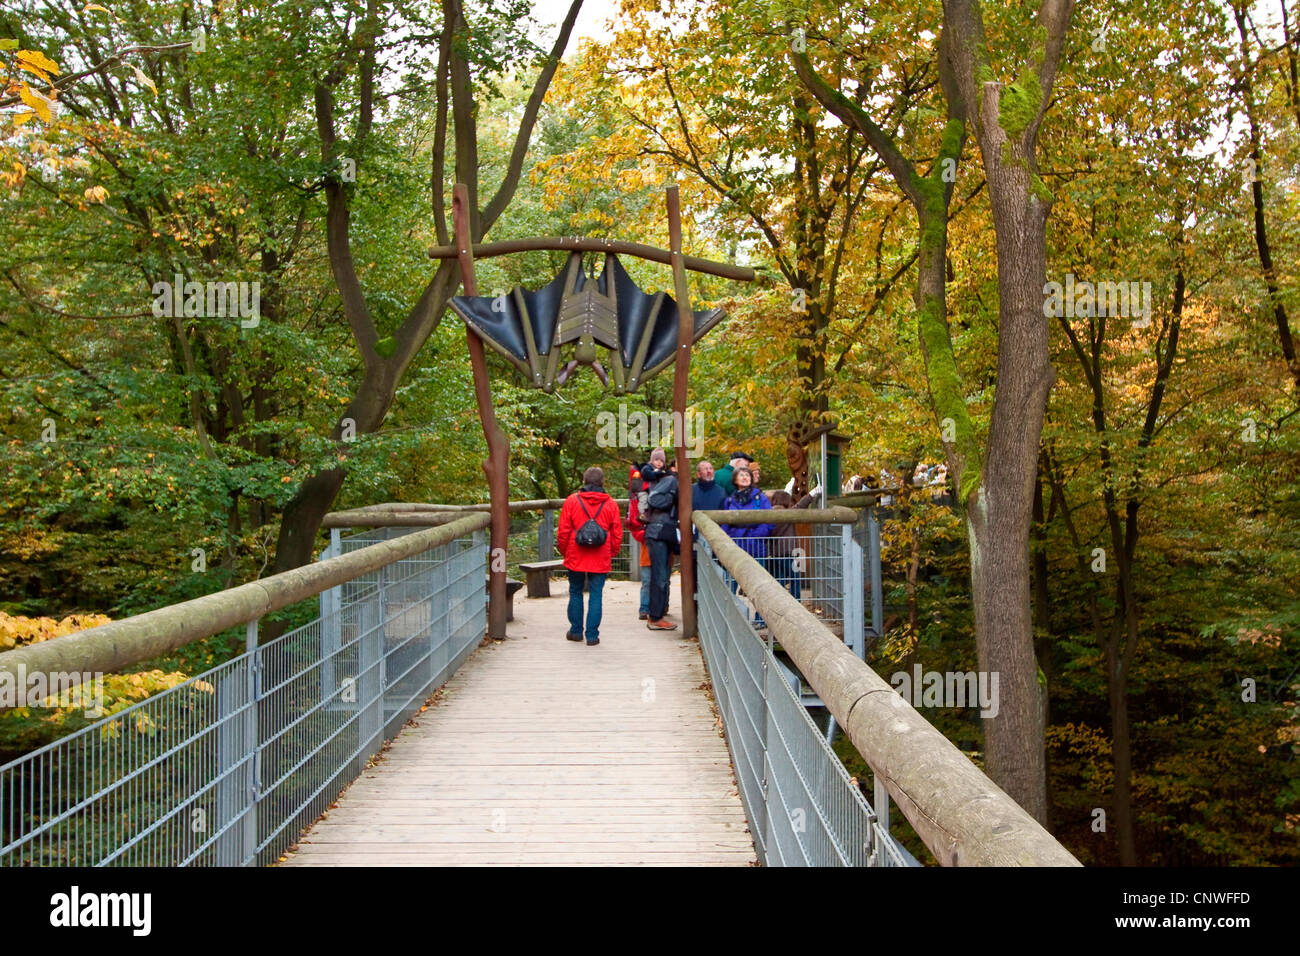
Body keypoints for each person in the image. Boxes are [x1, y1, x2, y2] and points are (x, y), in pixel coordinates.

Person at [556, 466, 623, 646]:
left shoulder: (572, 501)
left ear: (584, 481)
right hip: (600, 555)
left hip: (576, 553)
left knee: (575, 591)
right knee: (596, 594)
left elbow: (563, 531)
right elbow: (617, 534)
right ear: (602, 482)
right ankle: (592, 635)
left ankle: (576, 631)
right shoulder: (610, 504)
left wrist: (566, 551)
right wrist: (611, 552)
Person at [721, 466, 773, 628]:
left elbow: (769, 520)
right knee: (730, 583)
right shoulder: (730, 500)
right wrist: (730, 540)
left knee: (759, 584)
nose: (745, 477)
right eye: (741, 475)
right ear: (735, 479)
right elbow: (724, 523)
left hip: (756, 545)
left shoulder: (760, 498)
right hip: (736, 546)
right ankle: (728, 616)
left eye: (747, 475)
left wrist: (755, 535)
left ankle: (760, 619)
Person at [641, 457, 680, 631]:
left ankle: (657, 614)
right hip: (658, 531)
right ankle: (655, 617)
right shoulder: (670, 480)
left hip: (663, 532)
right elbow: (654, 499)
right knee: (659, 576)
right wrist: (671, 498)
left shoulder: (671, 481)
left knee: (662, 575)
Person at [627, 463, 653, 619]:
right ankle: (645, 607)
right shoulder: (639, 493)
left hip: (647, 535)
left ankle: (649, 607)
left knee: (649, 579)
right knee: (648, 578)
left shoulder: (636, 492)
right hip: (647, 538)